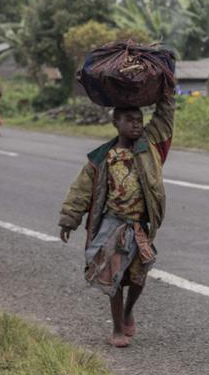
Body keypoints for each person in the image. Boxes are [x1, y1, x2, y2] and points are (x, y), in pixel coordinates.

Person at [58, 87, 175, 348]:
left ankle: (128, 310)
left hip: (139, 225)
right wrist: (69, 217)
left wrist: (167, 91)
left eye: (139, 120)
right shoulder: (102, 158)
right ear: (116, 123)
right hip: (113, 223)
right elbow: (81, 189)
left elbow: (165, 118)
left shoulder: (150, 148)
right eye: (130, 120)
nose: (136, 125)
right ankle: (117, 328)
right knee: (114, 277)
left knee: (139, 275)